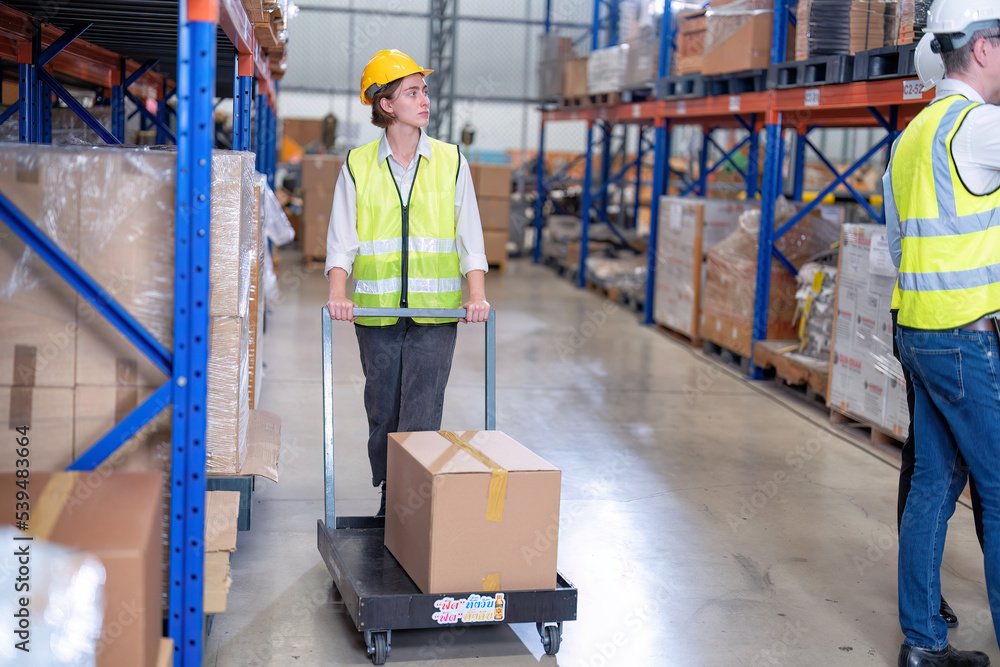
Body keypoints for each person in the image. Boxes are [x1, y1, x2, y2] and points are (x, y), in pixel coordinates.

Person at [324, 49, 491, 516]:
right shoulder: (358, 164)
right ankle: (389, 486)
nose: (425, 100)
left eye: (424, 91)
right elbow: (342, 238)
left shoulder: (451, 161)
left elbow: (469, 234)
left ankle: (405, 506)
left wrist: (477, 295)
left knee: (421, 412)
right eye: (412, 92)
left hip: (435, 315)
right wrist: (338, 293)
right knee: (383, 411)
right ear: (386, 104)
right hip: (376, 315)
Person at [885, 0, 1000, 664]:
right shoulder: (980, 127)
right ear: (982, 48)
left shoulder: (913, 136)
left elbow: (900, 242)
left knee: (932, 483)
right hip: (963, 337)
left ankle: (923, 643)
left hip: (917, 332)